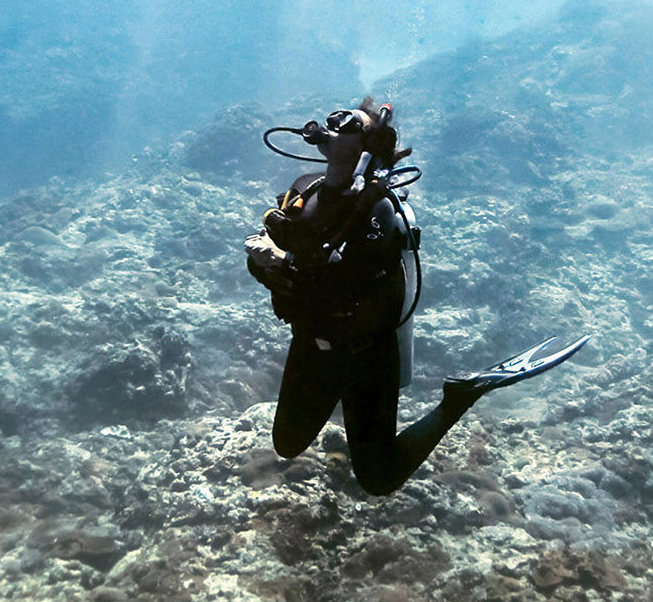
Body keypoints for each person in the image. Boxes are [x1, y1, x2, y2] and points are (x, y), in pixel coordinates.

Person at [245, 98, 588, 495]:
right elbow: (275, 256)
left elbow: (348, 287)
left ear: (365, 149)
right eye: (336, 119)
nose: (334, 125)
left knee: (378, 478)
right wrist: (264, 263)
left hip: (366, 356)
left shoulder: (379, 213)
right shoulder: (305, 190)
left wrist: (283, 263)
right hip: (311, 343)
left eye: (350, 124)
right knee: (286, 444)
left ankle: (459, 397)